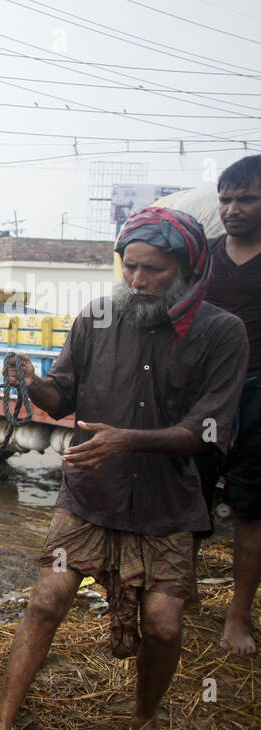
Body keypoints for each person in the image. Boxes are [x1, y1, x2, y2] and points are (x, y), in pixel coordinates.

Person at [0, 207, 247, 730]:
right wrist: (31, 381)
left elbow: (210, 429)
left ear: (190, 268)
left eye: (155, 269)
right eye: (130, 267)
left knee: (165, 625)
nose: (138, 281)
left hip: (167, 502)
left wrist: (128, 440)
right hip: (90, 494)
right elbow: (61, 395)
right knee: (47, 600)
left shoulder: (222, 332)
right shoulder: (95, 318)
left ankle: (145, 719)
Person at [206, 155, 261, 656]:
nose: (232, 209)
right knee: (187, 500)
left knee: (250, 510)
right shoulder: (202, 256)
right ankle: (173, 600)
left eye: (246, 198)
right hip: (202, 397)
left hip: (258, 396)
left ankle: (238, 616)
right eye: (225, 199)